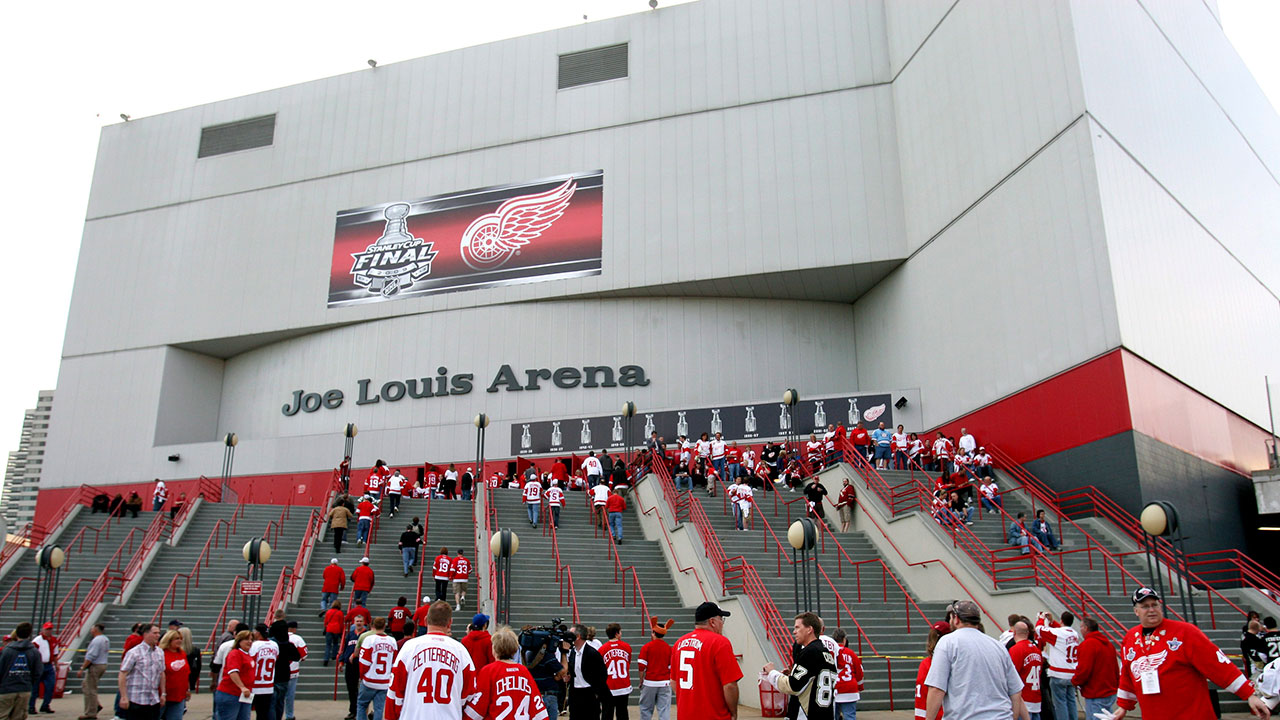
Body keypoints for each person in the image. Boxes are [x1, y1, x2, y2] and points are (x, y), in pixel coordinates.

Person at [1115, 587, 1269, 719]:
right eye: (1145, 606)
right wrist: (1123, 706)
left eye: (1154, 605)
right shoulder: (1130, 638)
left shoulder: (1185, 632)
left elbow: (1217, 664)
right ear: (1136, 611)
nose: (1151, 610)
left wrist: (1249, 694)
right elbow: (1127, 674)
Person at [923, 600, 1029, 720]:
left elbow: (936, 688)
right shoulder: (997, 645)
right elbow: (1015, 691)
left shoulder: (948, 642)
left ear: (956, 619)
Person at [386, 601, 477, 720]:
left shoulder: (409, 648)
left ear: (425, 620)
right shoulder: (461, 651)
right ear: (450, 622)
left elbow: (394, 692)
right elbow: (470, 694)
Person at [673, 602, 742, 720]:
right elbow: (730, 685)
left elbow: (673, 681)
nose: (722, 623)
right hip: (713, 715)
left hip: (685, 714)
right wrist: (733, 713)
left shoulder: (679, 643)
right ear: (712, 622)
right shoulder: (720, 642)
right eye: (721, 619)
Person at [763, 612, 837, 720]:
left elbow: (793, 686)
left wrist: (772, 673)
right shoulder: (825, 652)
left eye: (797, 627)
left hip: (809, 713)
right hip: (826, 712)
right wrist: (793, 673)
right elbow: (813, 679)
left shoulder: (809, 652)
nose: (794, 632)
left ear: (809, 629)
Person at [467, 626, 549, 720]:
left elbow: (477, 709)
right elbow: (539, 710)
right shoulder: (524, 671)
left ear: (494, 649)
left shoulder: (489, 671)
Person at [1033, 611, 1078, 720]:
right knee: (1071, 701)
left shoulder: (1058, 634)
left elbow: (1039, 629)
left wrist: (1041, 618)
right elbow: (1061, 630)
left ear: (1062, 620)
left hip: (1059, 674)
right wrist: (1052, 622)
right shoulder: (1074, 633)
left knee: (1060, 703)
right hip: (1072, 673)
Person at [1070, 617, 1117, 720]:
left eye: (1081, 627)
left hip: (1095, 692)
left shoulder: (1087, 645)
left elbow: (1084, 670)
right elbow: (1115, 667)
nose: (1080, 630)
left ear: (1086, 628)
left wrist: (1075, 681)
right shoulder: (1108, 644)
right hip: (1109, 691)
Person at [118, 623, 165, 720]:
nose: (158, 635)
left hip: (153, 700)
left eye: (159, 633)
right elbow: (123, 674)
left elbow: (162, 673)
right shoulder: (134, 653)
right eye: (155, 633)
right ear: (145, 634)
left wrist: (163, 693)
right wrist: (123, 696)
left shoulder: (160, 652)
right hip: (136, 699)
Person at [356, 617, 398, 720]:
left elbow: (364, 662)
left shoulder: (369, 640)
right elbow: (394, 662)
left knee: (362, 704)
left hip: (370, 679)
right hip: (384, 681)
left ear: (372, 626)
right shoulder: (392, 641)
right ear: (385, 626)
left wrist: (361, 676)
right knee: (379, 708)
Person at [0, 623, 43, 720]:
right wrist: (29, 683)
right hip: (24, 689)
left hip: (6, 689)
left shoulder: (7, 650)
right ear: (29, 634)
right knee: (19, 717)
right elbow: (38, 672)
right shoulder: (34, 651)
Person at [567, 624, 610, 720]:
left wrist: (596, 692)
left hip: (589, 692)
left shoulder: (592, 653)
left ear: (578, 637)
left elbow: (602, 674)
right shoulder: (573, 652)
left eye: (571, 633)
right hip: (575, 693)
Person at [637, 619, 673, 720]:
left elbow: (641, 666)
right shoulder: (669, 648)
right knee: (664, 709)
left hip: (650, 682)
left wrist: (641, 680)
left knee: (646, 709)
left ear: (653, 632)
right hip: (665, 682)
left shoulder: (647, 647)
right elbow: (671, 667)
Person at [213, 630, 254, 720]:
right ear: (239, 641)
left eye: (251, 639)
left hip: (244, 695)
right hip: (231, 694)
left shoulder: (247, 654)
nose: (250, 642)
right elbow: (233, 672)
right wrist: (242, 687)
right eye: (247, 639)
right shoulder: (235, 653)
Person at [1007, 621, 1043, 720]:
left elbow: (1011, 676)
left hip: (1023, 700)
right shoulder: (1036, 650)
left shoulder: (1016, 649)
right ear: (1027, 633)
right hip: (1036, 698)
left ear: (1014, 633)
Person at [600, 624, 633, 720]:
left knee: (607, 713)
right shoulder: (626, 646)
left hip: (608, 685)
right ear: (617, 633)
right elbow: (628, 663)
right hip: (623, 685)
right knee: (622, 713)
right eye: (620, 631)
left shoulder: (602, 649)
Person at [829, 628, 863, 720]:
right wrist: (860, 686)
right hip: (850, 689)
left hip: (834, 689)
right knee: (850, 716)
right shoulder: (851, 653)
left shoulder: (830, 653)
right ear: (844, 640)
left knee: (832, 716)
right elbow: (859, 672)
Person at [338, 615, 367, 720]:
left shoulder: (366, 635)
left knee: (362, 690)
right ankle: (353, 711)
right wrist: (341, 661)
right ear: (354, 623)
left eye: (360, 621)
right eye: (357, 621)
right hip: (350, 665)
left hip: (361, 665)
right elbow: (345, 648)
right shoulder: (350, 635)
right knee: (351, 689)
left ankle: (362, 711)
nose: (359, 623)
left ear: (364, 622)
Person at [78, 622, 109, 719]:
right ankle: (95, 705)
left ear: (95, 630)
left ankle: (91, 712)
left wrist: (82, 668)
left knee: (90, 689)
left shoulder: (96, 641)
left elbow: (91, 656)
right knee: (87, 685)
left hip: (95, 665)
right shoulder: (105, 639)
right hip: (102, 663)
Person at [247, 624, 278, 720]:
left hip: (255, 684)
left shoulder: (255, 645)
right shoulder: (274, 645)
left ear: (258, 633)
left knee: (245, 711)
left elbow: (249, 662)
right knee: (263, 713)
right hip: (268, 685)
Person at [160, 629, 191, 720]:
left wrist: (187, 689)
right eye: (176, 639)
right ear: (169, 640)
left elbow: (186, 673)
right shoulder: (161, 653)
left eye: (181, 638)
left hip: (179, 695)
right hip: (162, 695)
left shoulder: (182, 653)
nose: (180, 641)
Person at [30, 623, 58, 715]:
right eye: (47, 629)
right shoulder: (37, 640)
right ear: (43, 630)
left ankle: (45, 705)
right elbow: (32, 653)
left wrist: (56, 664)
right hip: (39, 665)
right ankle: (31, 706)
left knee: (50, 686)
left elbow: (55, 654)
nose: (48, 631)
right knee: (35, 687)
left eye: (50, 629)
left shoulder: (54, 640)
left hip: (49, 665)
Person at [285, 621, 307, 720]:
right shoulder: (298, 638)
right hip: (292, 671)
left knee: (277, 696)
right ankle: (289, 716)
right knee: (290, 695)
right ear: (294, 628)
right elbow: (304, 655)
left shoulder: (278, 637)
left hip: (278, 672)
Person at [324, 602, 345, 666]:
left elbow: (325, 621)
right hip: (336, 629)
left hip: (329, 628)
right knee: (335, 643)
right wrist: (342, 631)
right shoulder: (340, 613)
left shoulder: (328, 611)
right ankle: (334, 656)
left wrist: (325, 627)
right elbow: (341, 623)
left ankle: (326, 659)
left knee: (328, 645)